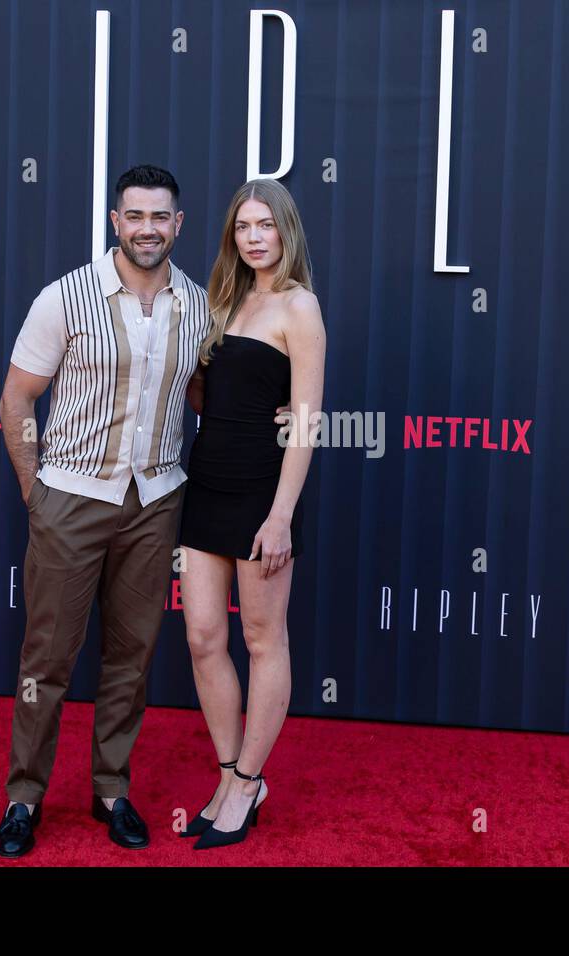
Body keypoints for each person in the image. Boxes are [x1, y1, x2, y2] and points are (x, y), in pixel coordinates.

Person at [0, 165, 212, 857]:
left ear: (179, 225)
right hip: (71, 496)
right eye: (135, 216)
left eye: (161, 217)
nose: (148, 228)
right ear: (115, 221)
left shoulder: (203, 307)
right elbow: (17, 400)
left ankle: (111, 788)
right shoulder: (65, 298)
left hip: (155, 500)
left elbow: (204, 398)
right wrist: (37, 492)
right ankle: (24, 797)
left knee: (132, 656)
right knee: (47, 658)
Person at [176, 178, 326, 849]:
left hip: (265, 493)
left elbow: (304, 422)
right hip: (206, 482)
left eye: (265, 224)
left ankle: (247, 779)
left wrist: (281, 517)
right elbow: (207, 397)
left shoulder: (300, 307)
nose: (254, 237)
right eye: (243, 227)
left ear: (285, 230)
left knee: (263, 640)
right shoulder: (222, 301)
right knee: (205, 636)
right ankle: (229, 773)